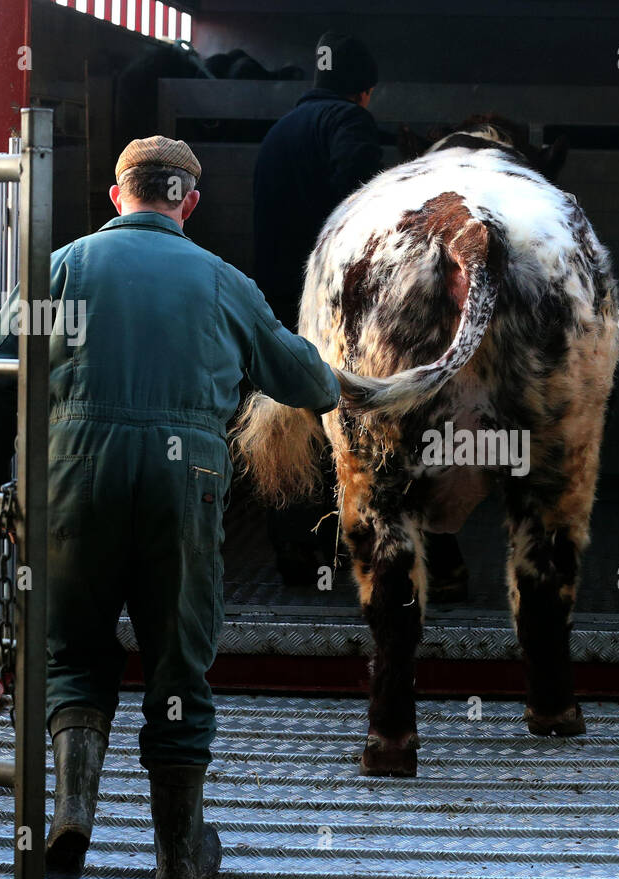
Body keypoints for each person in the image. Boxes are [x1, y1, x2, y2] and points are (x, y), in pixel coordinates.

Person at [0, 136, 340, 879]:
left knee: (72, 650)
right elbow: (307, 382)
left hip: (72, 482)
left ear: (116, 195)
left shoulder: (62, 268)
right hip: (183, 485)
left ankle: (73, 807)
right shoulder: (221, 280)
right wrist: (331, 371)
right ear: (188, 202)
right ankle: (178, 859)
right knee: (178, 664)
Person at [251, 32, 382, 585]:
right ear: (366, 92)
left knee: (284, 420)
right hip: (334, 305)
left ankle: (292, 550)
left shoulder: (279, 132)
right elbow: (359, 209)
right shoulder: (350, 125)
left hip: (278, 298)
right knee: (346, 417)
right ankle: (345, 544)